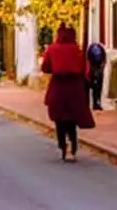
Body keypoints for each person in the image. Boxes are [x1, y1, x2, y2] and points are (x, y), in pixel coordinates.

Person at [41, 24, 95, 162]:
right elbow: (84, 68)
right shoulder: (77, 50)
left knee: (59, 119)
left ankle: (63, 144)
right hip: (75, 88)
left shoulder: (52, 49)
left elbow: (45, 67)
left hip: (58, 87)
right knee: (71, 119)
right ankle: (72, 146)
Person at [86, 41, 108, 111]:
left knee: (88, 88)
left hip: (91, 70)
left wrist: (90, 69)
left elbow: (87, 59)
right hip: (98, 70)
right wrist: (101, 69)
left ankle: (88, 105)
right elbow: (104, 60)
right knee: (98, 88)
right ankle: (96, 104)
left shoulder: (90, 49)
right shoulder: (101, 49)